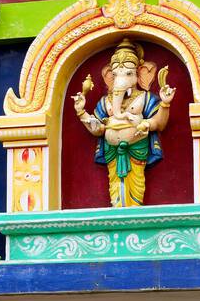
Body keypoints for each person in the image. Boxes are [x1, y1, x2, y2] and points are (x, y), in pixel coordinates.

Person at [72, 37, 175, 208]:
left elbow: (159, 123)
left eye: (128, 74)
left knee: (136, 187)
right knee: (116, 187)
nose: (122, 79)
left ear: (140, 73)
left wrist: (164, 104)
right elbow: (98, 130)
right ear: (109, 76)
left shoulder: (145, 98)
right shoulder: (106, 101)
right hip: (113, 153)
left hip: (137, 151)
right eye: (116, 75)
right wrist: (81, 112)